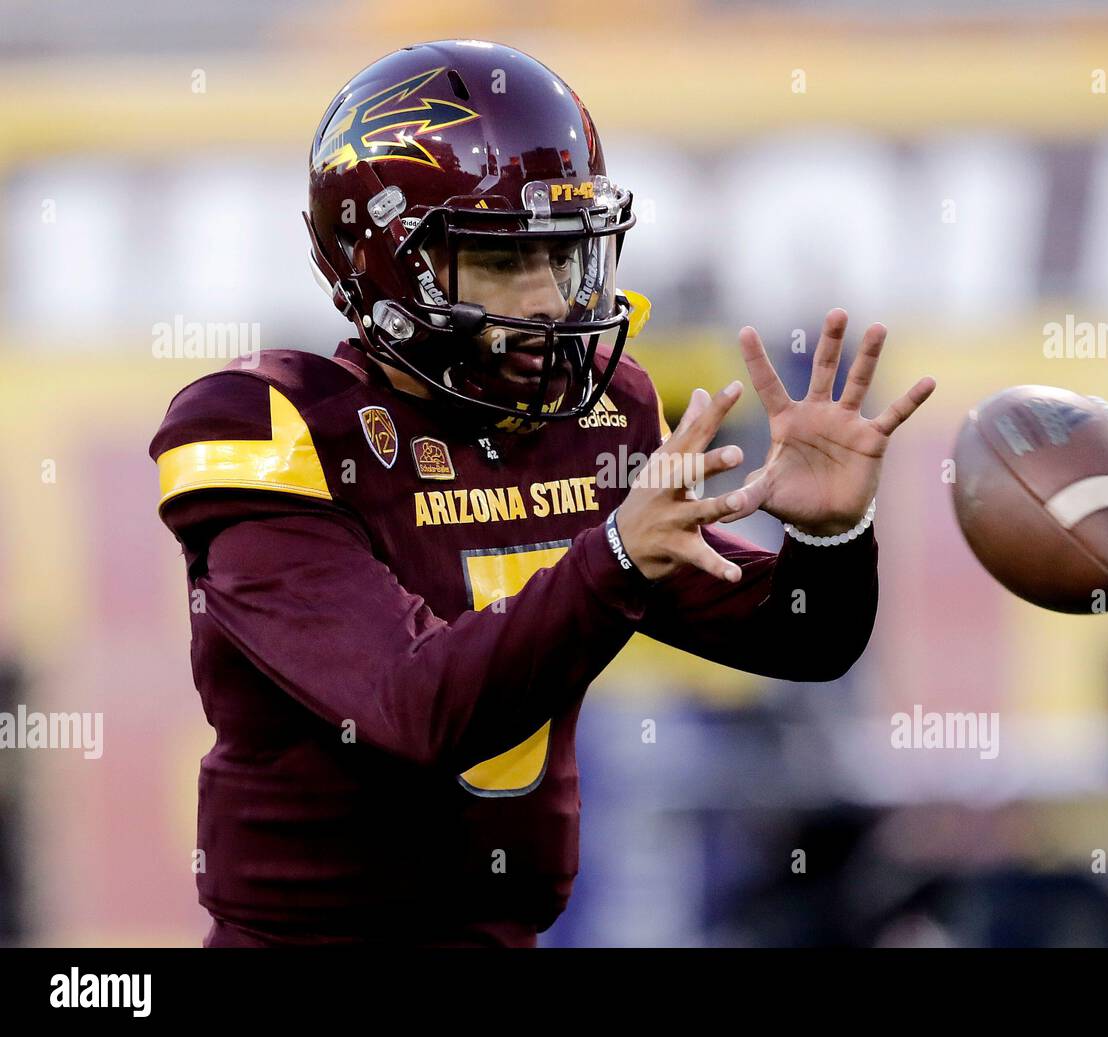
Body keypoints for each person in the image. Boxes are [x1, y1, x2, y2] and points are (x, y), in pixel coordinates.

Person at [148, 39, 935, 947]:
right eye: (502, 260)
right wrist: (613, 558)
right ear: (391, 270)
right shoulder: (274, 429)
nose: (554, 299)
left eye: (563, 254)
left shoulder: (592, 419)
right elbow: (413, 708)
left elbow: (802, 637)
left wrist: (832, 539)